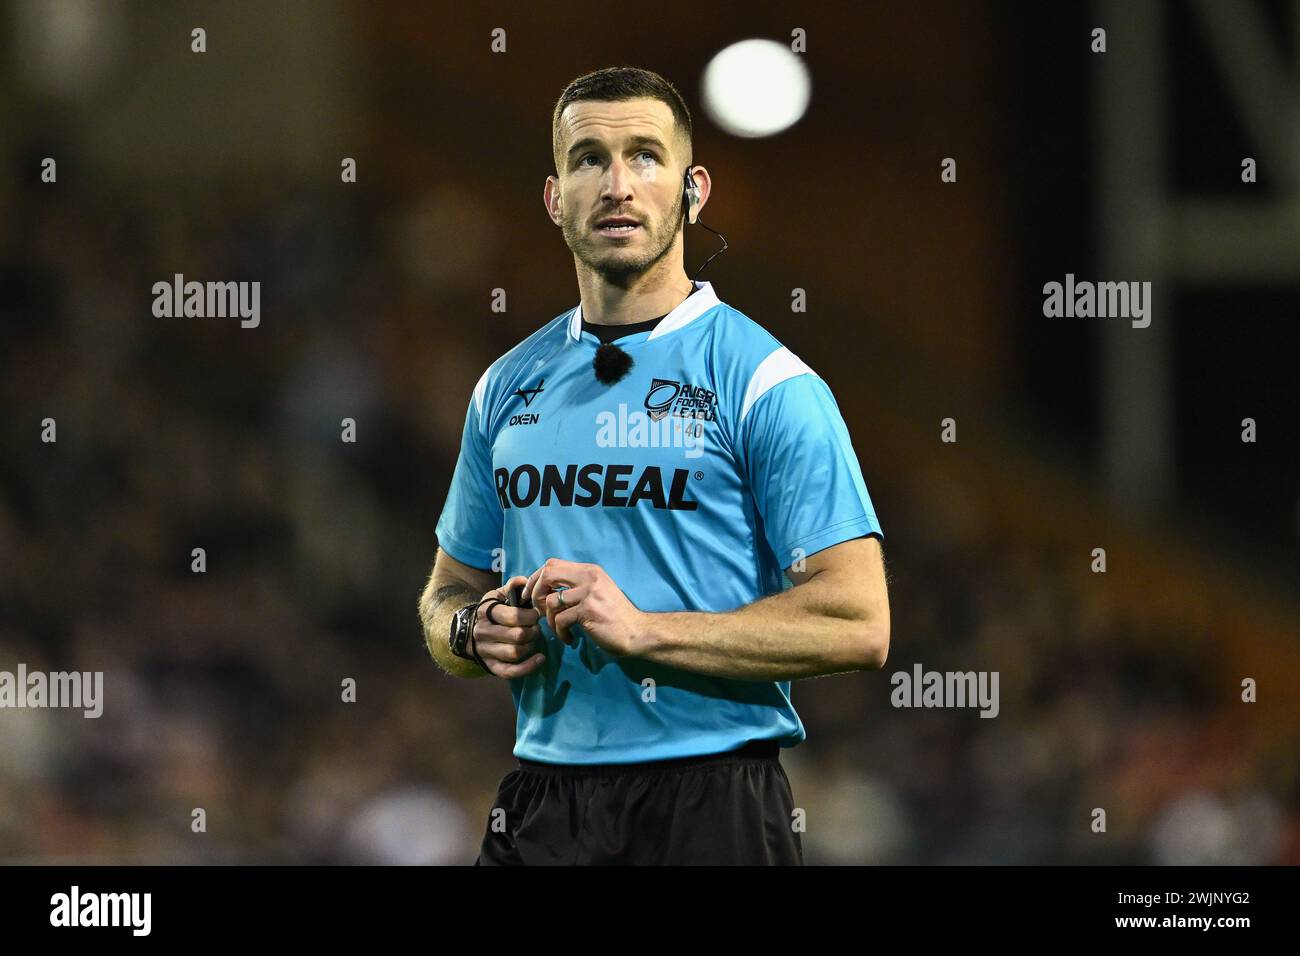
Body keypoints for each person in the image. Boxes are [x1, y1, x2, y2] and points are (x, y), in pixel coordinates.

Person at [419, 66, 890, 865]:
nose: (617, 185)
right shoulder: (504, 386)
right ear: (553, 196)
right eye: (588, 159)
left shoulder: (768, 382)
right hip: (545, 800)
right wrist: (470, 630)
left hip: (714, 803)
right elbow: (445, 591)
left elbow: (859, 620)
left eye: (644, 155)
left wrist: (645, 632)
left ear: (693, 189)